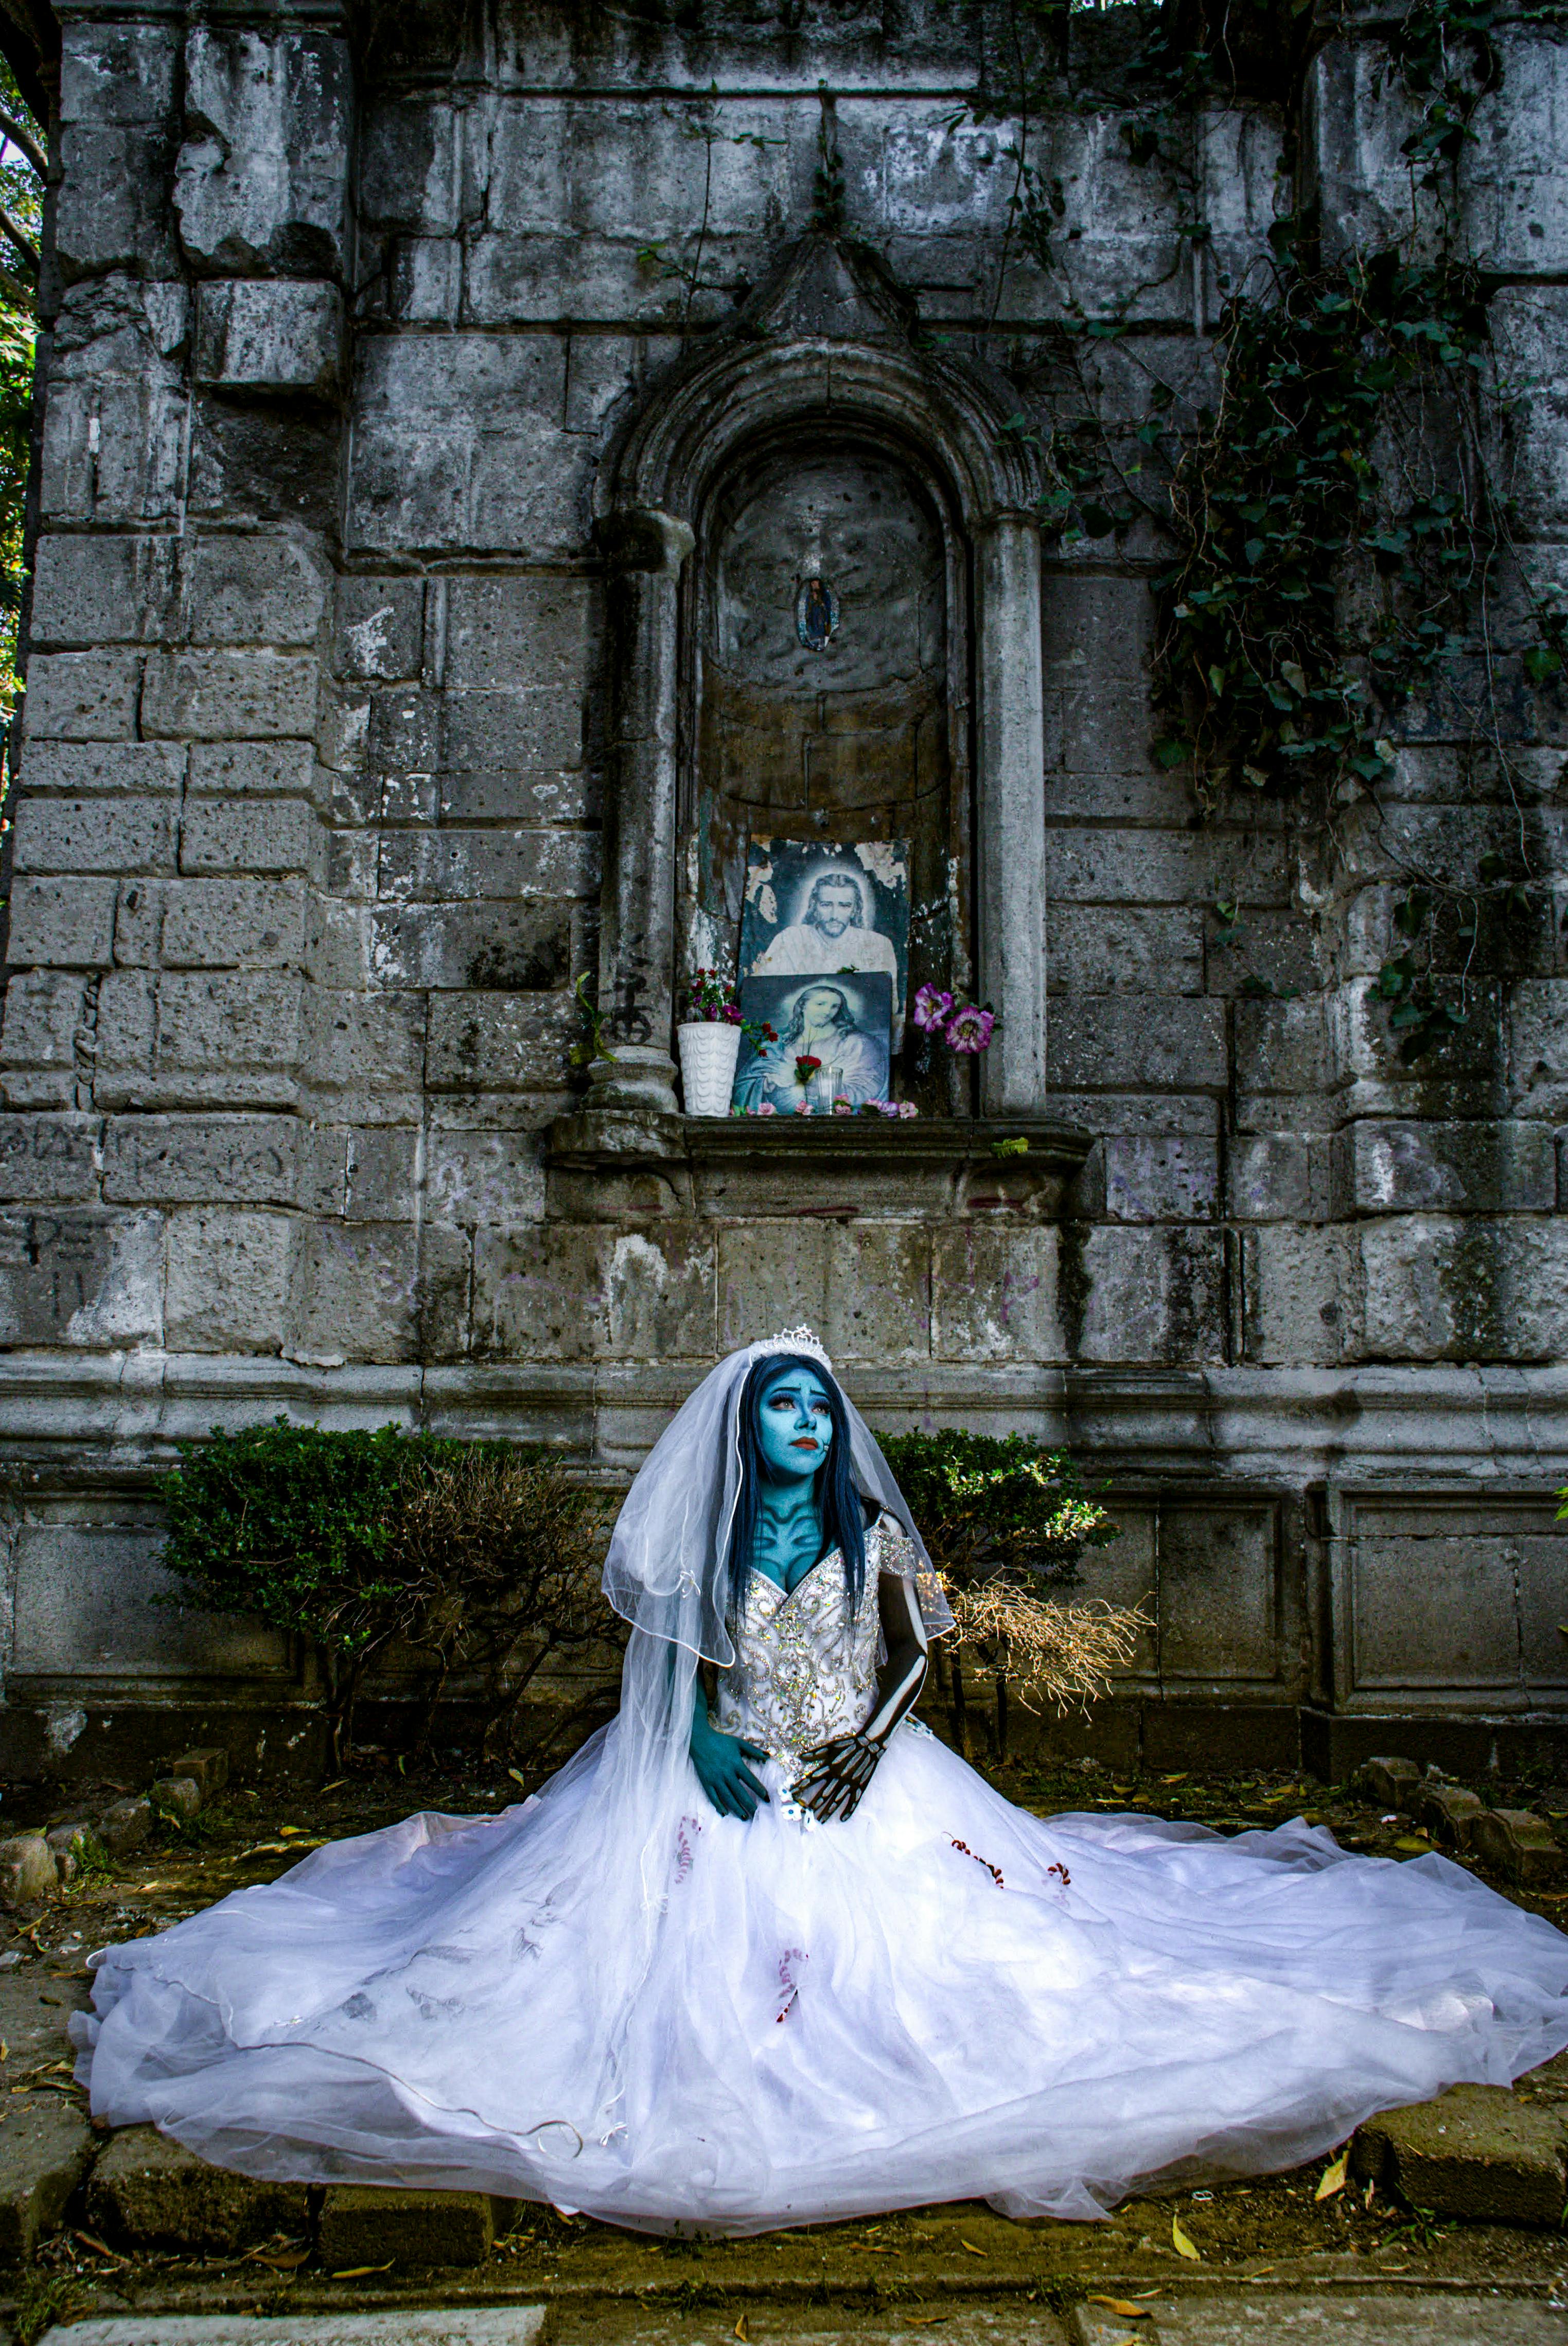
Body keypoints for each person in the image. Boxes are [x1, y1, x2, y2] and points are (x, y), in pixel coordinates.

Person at [75, 1332, 1568, 2237]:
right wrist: (704, 1740)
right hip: (716, 1769)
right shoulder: (708, 1544)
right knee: (559, 1963)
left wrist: (867, 1738)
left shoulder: (867, 1532)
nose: (803, 1423)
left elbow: (919, 1651)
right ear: (743, 1427)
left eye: (816, 1406)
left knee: (979, 1961)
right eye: (780, 1407)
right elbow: (659, 1676)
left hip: (867, 1767)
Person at [733, 981, 889, 1112]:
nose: (828, 1011)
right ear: (802, 1006)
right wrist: (766, 1083)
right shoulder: (779, 1042)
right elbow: (747, 1082)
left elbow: (867, 1088)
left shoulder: (856, 1043)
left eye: (835, 1006)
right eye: (820, 1004)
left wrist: (812, 1085)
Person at [750, 870, 897, 983]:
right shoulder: (790, 940)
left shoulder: (878, 945)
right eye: (826, 905)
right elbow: (766, 993)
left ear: (855, 910)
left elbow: (889, 1006)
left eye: (844, 906)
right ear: (815, 907)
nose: (834, 915)